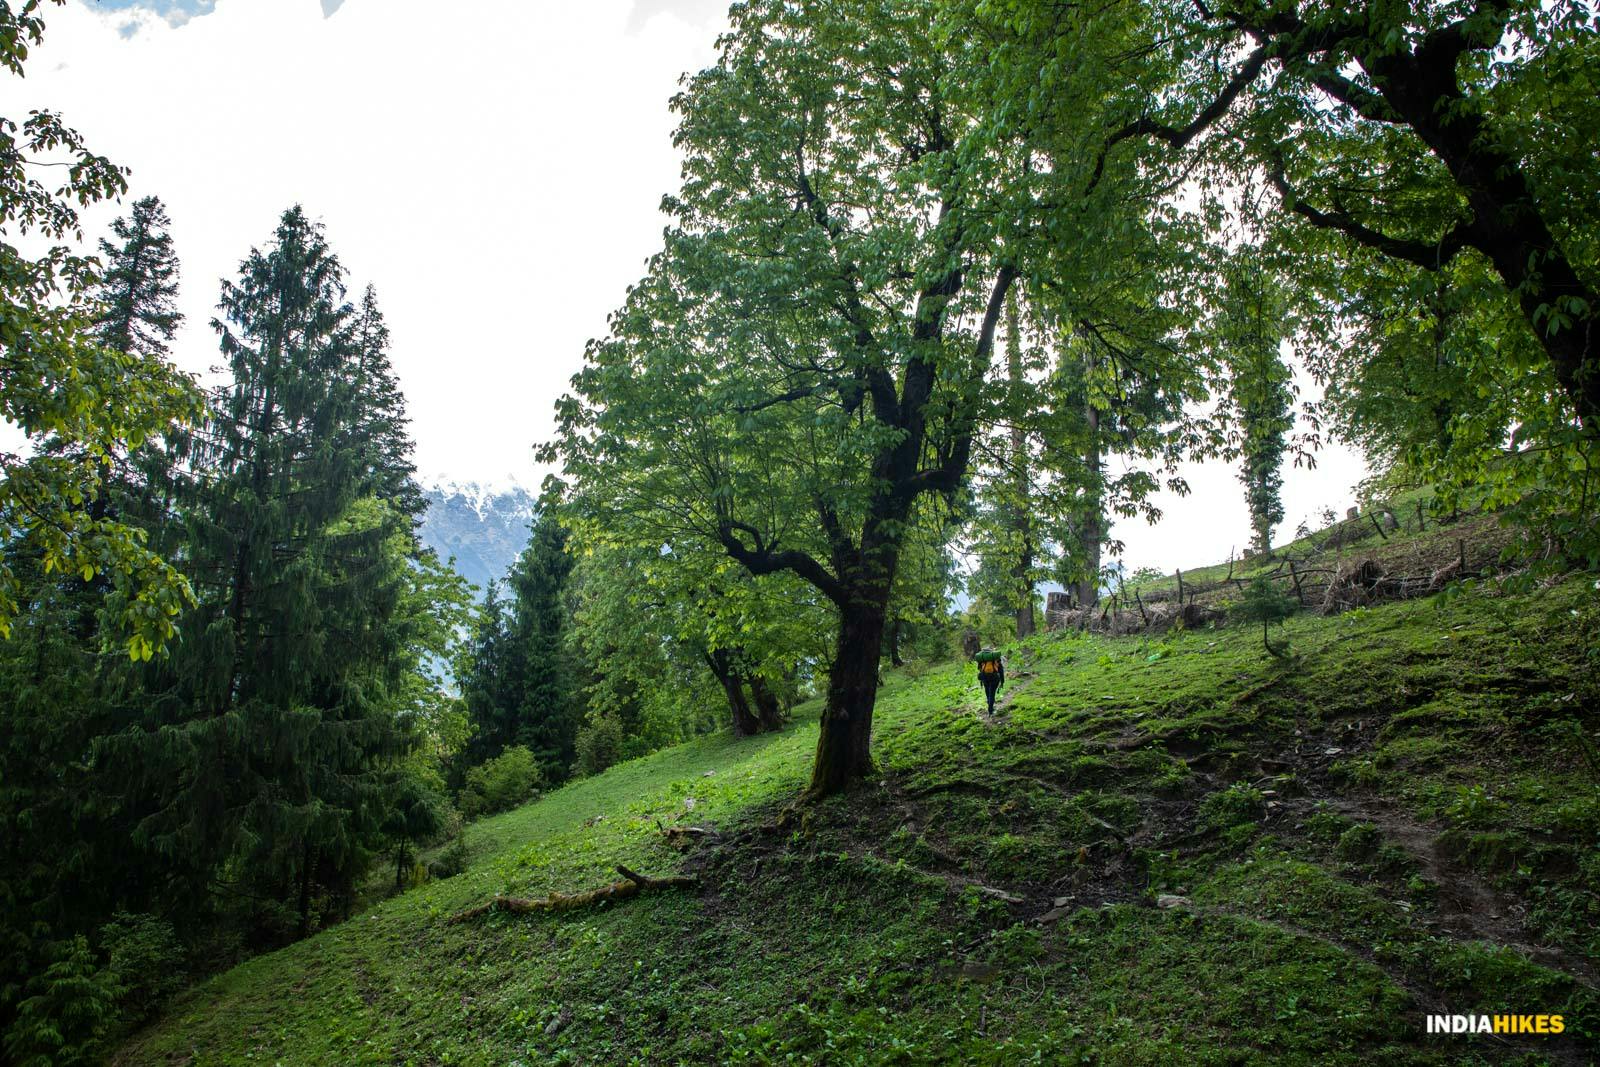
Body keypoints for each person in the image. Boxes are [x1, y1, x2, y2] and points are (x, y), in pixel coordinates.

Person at [975, 648, 1004, 715]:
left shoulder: (982, 659)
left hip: (984, 677)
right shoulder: (995, 658)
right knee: (992, 693)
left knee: (987, 692)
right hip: (994, 677)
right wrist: (1002, 681)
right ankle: (990, 710)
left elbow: (979, 669)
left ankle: (989, 705)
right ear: (991, 652)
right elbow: (1001, 671)